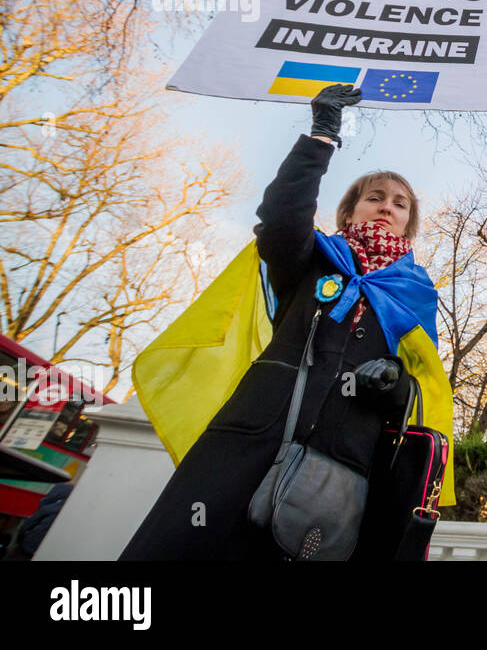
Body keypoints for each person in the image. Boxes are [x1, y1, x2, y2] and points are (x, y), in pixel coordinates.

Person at [121, 84, 435, 560]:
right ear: (349, 210)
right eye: (375, 197)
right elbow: (282, 220)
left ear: (408, 223)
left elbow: (421, 387)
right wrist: (321, 137)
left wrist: (394, 387)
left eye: (399, 202)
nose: (386, 206)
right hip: (249, 446)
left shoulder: (416, 297)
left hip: (336, 469)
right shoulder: (312, 257)